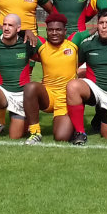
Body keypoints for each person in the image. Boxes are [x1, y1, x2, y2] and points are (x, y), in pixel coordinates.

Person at [67, 8, 107, 144]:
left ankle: (106, 115)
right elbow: (74, 67)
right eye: (101, 23)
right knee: (73, 86)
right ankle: (80, 133)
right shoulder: (87, 43)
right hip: (95, 89)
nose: (104, 26)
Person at [0, 13, 37, 144]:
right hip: (2, 91)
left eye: (10, 25)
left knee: (15, 136)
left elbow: (45, 52)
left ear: (18, 28)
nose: (6, 28)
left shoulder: (27, 43)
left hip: (21, 94)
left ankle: (25, 119)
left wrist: (28, 31)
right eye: (4, 24)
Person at [22, 13, 77, 143]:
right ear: (46, 31)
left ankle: (68, 121)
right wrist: (26, 31)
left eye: (58, 30)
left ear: (65, 31)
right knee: (30, 87)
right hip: (48, 95)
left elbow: (96, 30)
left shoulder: (73, 41)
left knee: (61, 137)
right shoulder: (41, 43)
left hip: (66, 98)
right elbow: (12, 31)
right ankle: (35, 132)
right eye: (50, 30)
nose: (54, 33)